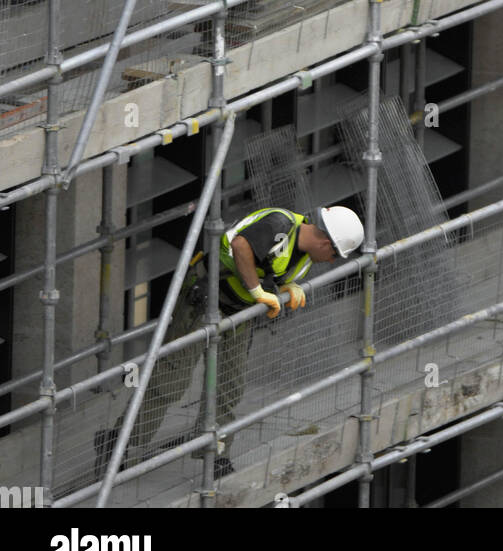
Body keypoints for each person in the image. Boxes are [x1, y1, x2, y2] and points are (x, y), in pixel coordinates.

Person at [94, 204, 364, 480]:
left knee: (230, 385)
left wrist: (282, 287)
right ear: (324, 241)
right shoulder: (279, 225)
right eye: (333, 253)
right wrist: (257, 291)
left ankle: (216, 452)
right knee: (172, 379)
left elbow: (270, 268)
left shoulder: (304, 255)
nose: (331, 261)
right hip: (206, 296)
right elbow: (241, 245)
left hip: (238, 309)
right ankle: (117, 443)